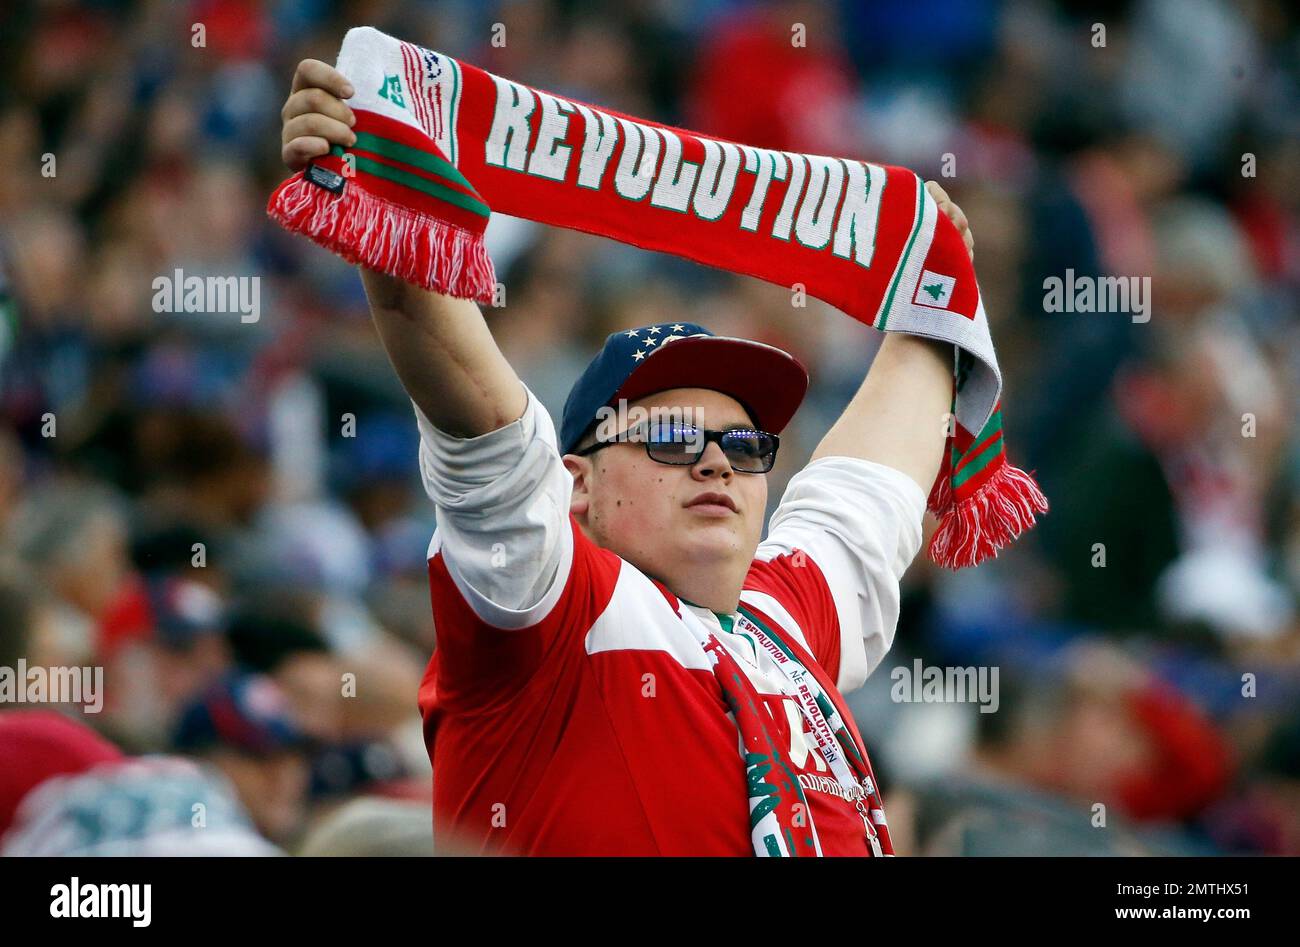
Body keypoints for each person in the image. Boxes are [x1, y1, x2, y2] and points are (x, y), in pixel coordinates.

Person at [279, 58, 974, 856]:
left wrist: (936, 280)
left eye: (745, 446)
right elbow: (478, 419)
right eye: (674, 436)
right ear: (575, 484)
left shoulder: (787, 613)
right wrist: (385, 176)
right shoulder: (552, 604)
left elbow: (874, 480)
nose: (717, 464)